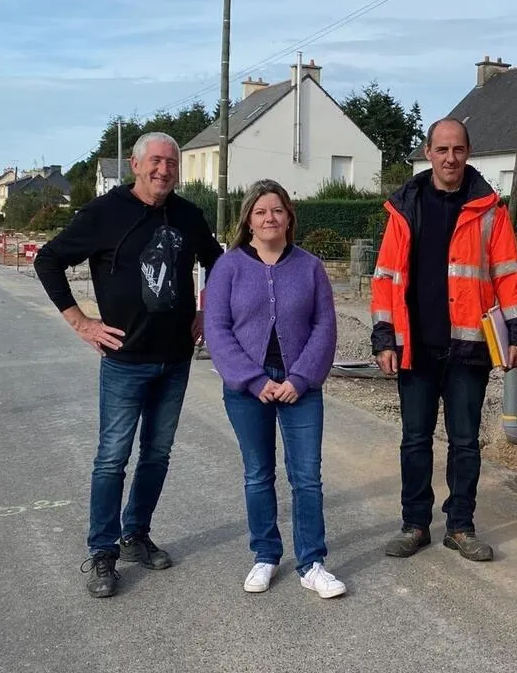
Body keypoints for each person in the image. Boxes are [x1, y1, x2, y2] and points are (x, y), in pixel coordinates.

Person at [34, 132, 223, 598]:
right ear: (136, 165)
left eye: (172, 164)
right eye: (156, 162)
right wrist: (81, 322)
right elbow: (48, 260)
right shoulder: (103, 213)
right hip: (125, 362)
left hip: (175, 360)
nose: (164, 171)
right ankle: (102, 552)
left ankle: (135, 534)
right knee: (112, 459)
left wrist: (205, 310)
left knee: (157, 455)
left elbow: (219, 263)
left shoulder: (187, 215)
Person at [372, 117, 517, 562]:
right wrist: (385, 337)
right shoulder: (405, 207)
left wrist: (516, 333)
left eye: (458, 150)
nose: (450, 158)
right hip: (415, 347)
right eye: (442, 150)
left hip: (469, 348)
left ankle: (460, 525)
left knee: (465, 442)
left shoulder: (489, 209)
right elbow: (385, 278)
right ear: (428, 152)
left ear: (468, 152)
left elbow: (509, 275)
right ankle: (415, 524)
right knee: (415, 440)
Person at [204, 180, 344, 598]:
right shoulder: (228, 267)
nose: (270, 218)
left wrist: (299, 379)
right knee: (258, 474)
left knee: (307, 477)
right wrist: (253, 379)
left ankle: (312, 563)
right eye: (261, 211)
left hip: (300, 384)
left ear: (289, 217)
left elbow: (325, 326)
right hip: (248, 387)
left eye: (278, 210)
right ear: (248, 218)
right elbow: (217, 329)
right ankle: (265, 555)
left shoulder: (310, 267)